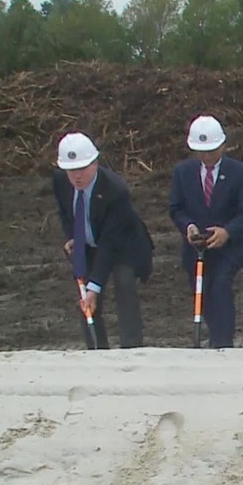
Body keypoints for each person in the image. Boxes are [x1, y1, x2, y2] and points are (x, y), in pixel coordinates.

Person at [52, 132, 154, 349]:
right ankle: (96, 348)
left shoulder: (116, 191)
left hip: (124, 245)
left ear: (95, 163)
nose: (76, 176)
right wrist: (72, 235)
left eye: (82, 169)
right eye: (71, 170)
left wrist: (95, 286)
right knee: (84, 294)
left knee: (123, 283)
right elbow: (65, 211)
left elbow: (110, 242)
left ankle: (132, 347)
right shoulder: (60, 181)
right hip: (88, 244)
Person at [167, 115, 243, 348]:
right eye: (201, 151)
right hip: (196, 249)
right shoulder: (182, 172)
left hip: (229, 249)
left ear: (223, 146)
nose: (206, 156)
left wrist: (227, 232)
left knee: (221, 288)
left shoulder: (240, 173)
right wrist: (188, 227)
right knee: (203, 293)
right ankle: (215, 336)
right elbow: (176, 208)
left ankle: (223, 344)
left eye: (211, 151)